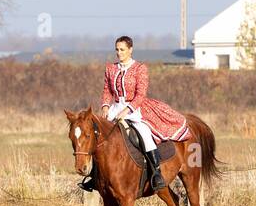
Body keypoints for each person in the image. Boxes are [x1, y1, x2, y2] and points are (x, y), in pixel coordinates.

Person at [80, 35, 190, 194]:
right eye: (117, 50)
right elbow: (106, 91)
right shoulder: (111, 68)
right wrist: (105, 107)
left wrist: (127, 110)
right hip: (114, 108)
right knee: (98, 135)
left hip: (135, 109)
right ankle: (94, 176)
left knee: (144, 134)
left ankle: (156, 173)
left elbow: (141, 94)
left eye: (122, 49)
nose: (119, 53)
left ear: (130, 50)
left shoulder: (140, 68)